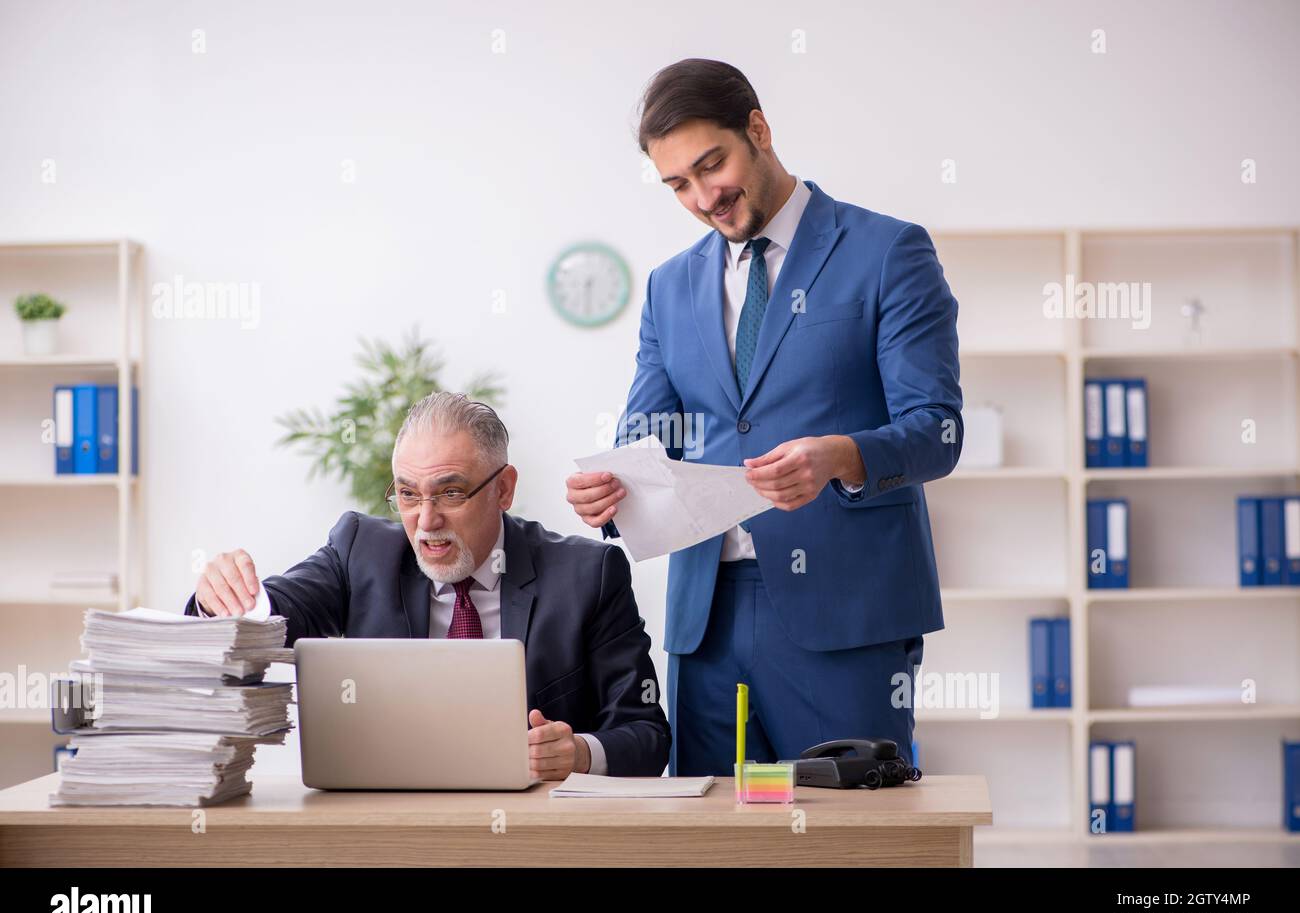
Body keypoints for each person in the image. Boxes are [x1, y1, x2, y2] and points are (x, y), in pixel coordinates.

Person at [566, 59, 962, 775]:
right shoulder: (669, 287)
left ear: (758, 129)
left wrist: (840, 455)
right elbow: (648, 434)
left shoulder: (886, 252)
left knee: (852, 840)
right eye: (677, 184)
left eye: (710, 165)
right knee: (713, 840)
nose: (701, 197)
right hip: (705, 618)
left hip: (846, 614)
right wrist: (608, 489)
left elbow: (937, 428)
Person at [190, 392, 670, 779]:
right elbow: (278, 612)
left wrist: (579, 753)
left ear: (503, 489)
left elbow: (645, 733)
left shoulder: (588, 574)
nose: (425, 521)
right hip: (391, 824)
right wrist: (224, 601)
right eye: (407, 494)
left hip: (534, 832)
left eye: (451, 493)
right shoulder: (363, 551)